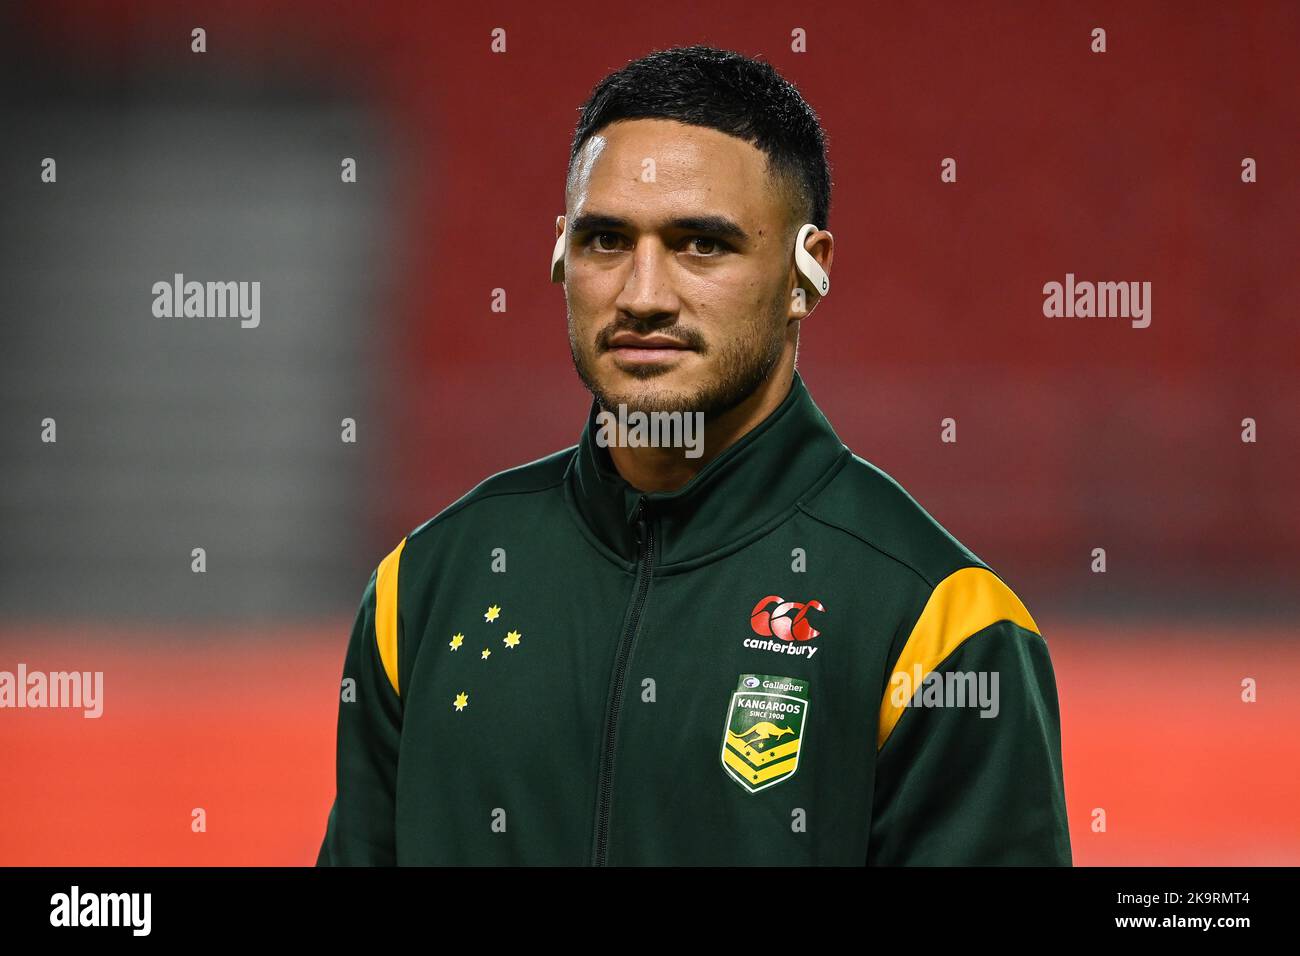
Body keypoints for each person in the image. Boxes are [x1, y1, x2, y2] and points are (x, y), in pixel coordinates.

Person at [316, 45, 1071, 866]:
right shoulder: (423, 590)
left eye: (701, 246)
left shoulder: (942, 627)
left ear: (805, 272)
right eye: (607, 240)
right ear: (561, 253)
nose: (643, 295)